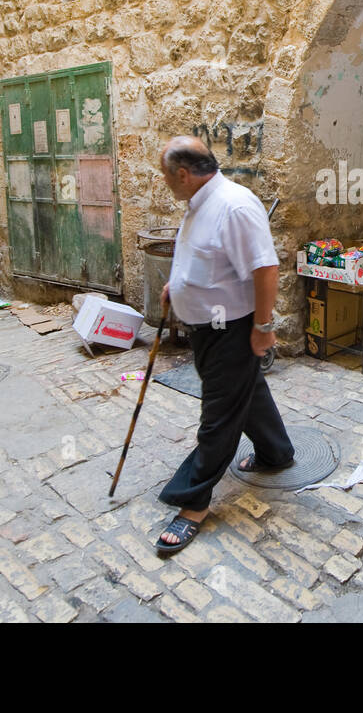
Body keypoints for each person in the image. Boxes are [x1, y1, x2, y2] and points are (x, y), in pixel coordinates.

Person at [154, 136, 293, 556]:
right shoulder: (200, 205)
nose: (166, 184)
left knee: (218, 415)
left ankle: (192, 501)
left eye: (166, 177)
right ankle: (276, 452)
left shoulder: (235, 205)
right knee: (244, 395)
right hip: (209, 327)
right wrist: (175, 287)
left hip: (230, 329)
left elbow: (265, 268)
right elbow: (204, 260)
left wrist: (263, 327)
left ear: (182, 173)